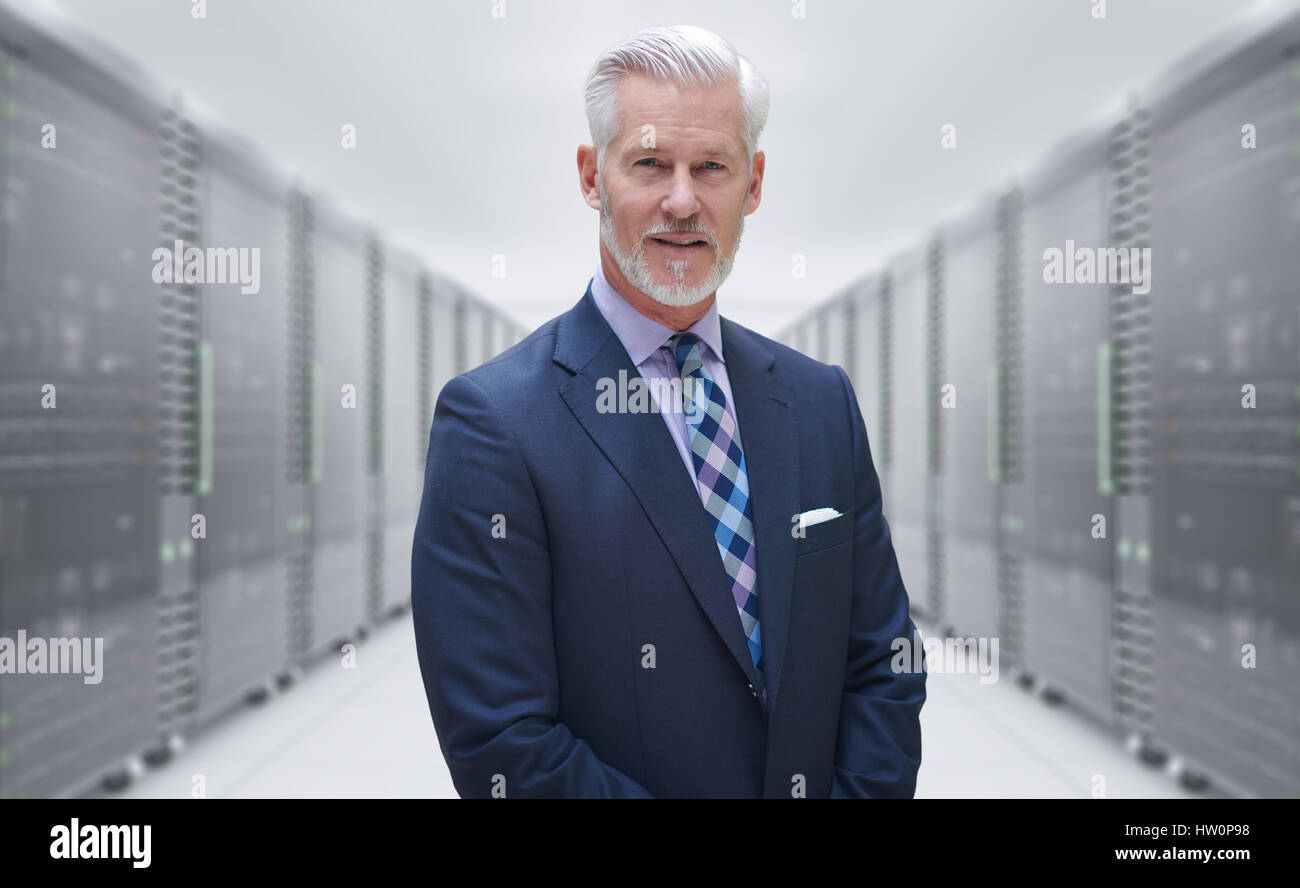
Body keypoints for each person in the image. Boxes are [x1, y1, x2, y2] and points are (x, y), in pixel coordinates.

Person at [411, 23, 925, 798]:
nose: (681, 201)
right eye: (649, 163)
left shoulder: (820, 403)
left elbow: (881, 667)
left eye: (710, 167)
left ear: (752, 185)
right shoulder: (495, 425)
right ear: (592, 176)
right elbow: (503, 741)